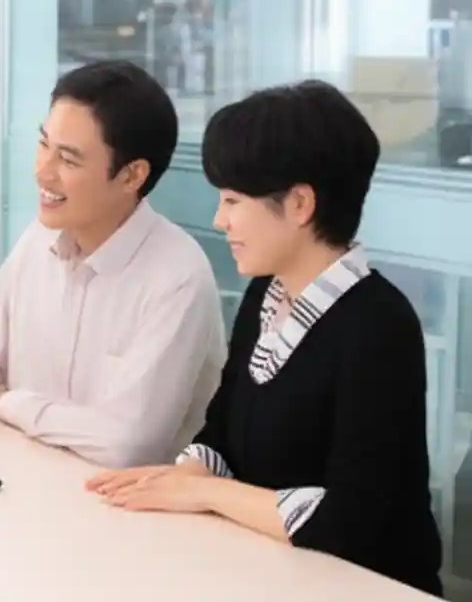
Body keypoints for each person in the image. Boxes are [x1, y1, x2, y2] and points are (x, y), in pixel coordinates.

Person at [87, 81, 443, 596]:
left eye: (233, 199)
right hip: (267, 569)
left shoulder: (378, 325)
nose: (219, 219)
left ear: (300, 204)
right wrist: (179, 477)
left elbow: (350, 519)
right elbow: (221, 434)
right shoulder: (265, 295)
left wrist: (208, 495)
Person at [0, 60, 226, 468]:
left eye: (68, 160)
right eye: (43, 145)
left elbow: (129, 443)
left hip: (129, 512)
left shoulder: (178, 276)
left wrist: (0, 401)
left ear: (131, 176)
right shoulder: (42, 236)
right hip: (30, 478)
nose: (42, 172)